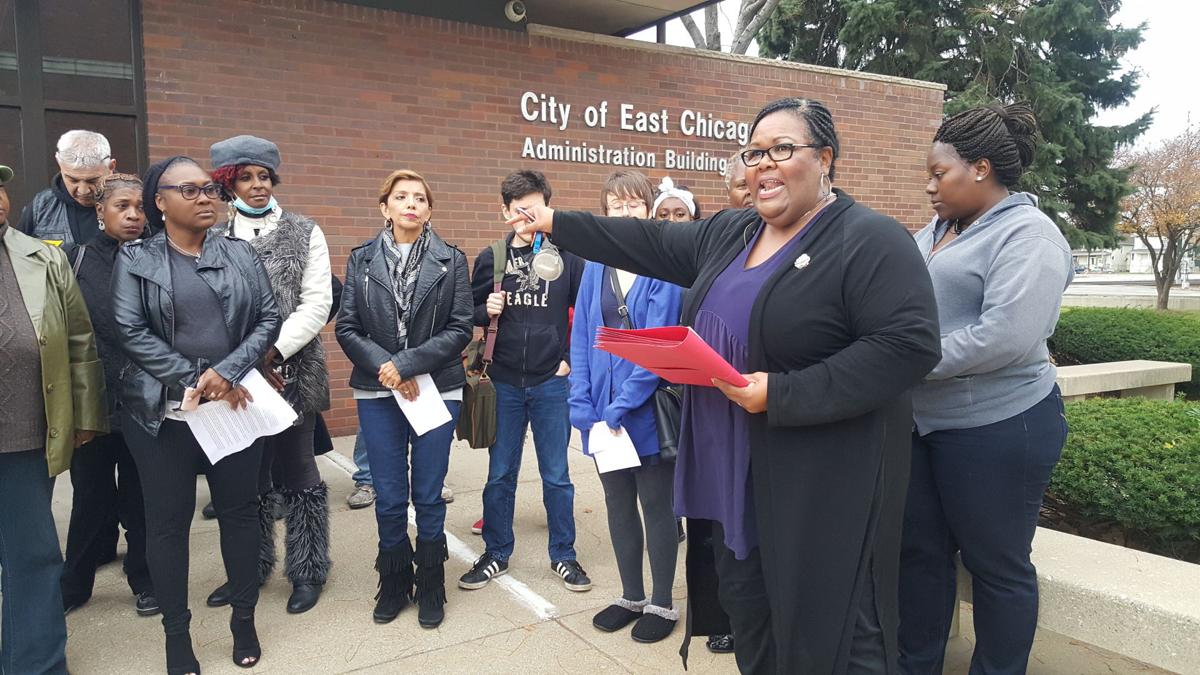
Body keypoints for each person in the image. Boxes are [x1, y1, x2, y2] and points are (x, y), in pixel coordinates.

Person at [511, 97, 942, 674]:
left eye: (782, 149)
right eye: (755, 153)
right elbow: (648, 242)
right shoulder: (734, 232)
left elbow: (909, 346)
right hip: (728, 471)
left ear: (825, 159)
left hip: (812, 482)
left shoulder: (868, 240)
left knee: (831, 634)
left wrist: (783, 393)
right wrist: (556, 222)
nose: (764, 164)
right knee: (748, 610)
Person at [898, 103, 1073, 675]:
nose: (929, 186)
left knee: (996, 566)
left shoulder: (1030, 237)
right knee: (919, 554)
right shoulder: (936, 231)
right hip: (924, 425)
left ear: (980, 168)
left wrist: (900, 361)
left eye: (938, 174)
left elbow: (1006, 337)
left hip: (999, 426)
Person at [112, 156, 281, 674]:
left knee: (240, 513)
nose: (205, 197)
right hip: (163, 416)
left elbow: (269, 317)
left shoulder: (239, 252)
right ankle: (177, 635)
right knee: (167, 526)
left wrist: (226, 373)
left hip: (232, 407)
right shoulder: (135, 258)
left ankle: (244, 620)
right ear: (159, 202)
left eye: (209, 188)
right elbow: (129, 330)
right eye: (188, 190)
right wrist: (194, 378)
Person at [202, 135, 334, 615]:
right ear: (227, 184)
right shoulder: (213, 237)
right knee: (245, 478)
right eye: (245, 177)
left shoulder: (305, 231)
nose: (258, 185)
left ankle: (308, 570)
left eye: (264, 176)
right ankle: (249, 568)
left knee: (298, 469)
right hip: (235, 378)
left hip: (293, 369)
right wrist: (241, 364)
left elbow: (317, 303)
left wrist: (272, 353)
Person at [335, 169, 472, 629]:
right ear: (385, 207)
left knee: (429, 493)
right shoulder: (361, 259)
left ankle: (431, 583)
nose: (411, 204)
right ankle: (393, 581)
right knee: (390, 495)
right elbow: (347, 327)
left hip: (437, 387)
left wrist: (408, 365)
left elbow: (460, 328)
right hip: (378, 389)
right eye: (401, 197)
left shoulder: (452, 260)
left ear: (429, 210)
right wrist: (389, 369)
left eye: (419, 198)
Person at [458, 170, 591, 593]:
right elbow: (466, 314)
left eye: (534, 211)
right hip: (503, 382)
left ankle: (564, 555)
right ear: (505, 212)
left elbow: (587, 314)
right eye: (518, 212)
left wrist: (570, 360)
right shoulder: (492, 257)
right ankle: (496, 553)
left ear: (547, 210)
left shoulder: (567, 258)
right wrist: (486, 309)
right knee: (500, 474)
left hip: (551, 382)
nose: (526, 219)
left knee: (557, 475)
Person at [0, 163, 107, 674]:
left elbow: (80, 341)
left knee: (33, 554)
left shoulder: (43, 257)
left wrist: (83, 415)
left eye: (0, 188)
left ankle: (35, 664)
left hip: (22, 437)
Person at [572, 170, 683, 643]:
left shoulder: (664, 265)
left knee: (657, 507)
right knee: (617, 504)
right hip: (600, 415)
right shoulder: (595, 264)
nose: (624, 212)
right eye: (615, 205)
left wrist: (622, 404)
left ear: (648, 208)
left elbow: (659, 345)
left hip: (645, 411)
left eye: (633, 203)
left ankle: (662, 602)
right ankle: (630, 596)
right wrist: (580, 400)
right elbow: (581, 337)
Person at [60, 173, 157, 618]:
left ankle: (145, 579)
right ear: (100, 211)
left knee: (141, 498)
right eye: (122, 206)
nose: (133, 215)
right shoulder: (75, 260)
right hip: (93, 402)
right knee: (90, 498)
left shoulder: (158, 257)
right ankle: (74, 584)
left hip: (144, 400)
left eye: (140, 207)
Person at [18, 130, 117, 248]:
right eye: (73, 180)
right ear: (60, 165)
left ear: (111, 167)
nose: (83, 190)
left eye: (92, 181)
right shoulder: (41, 207)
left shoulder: (134, 202)